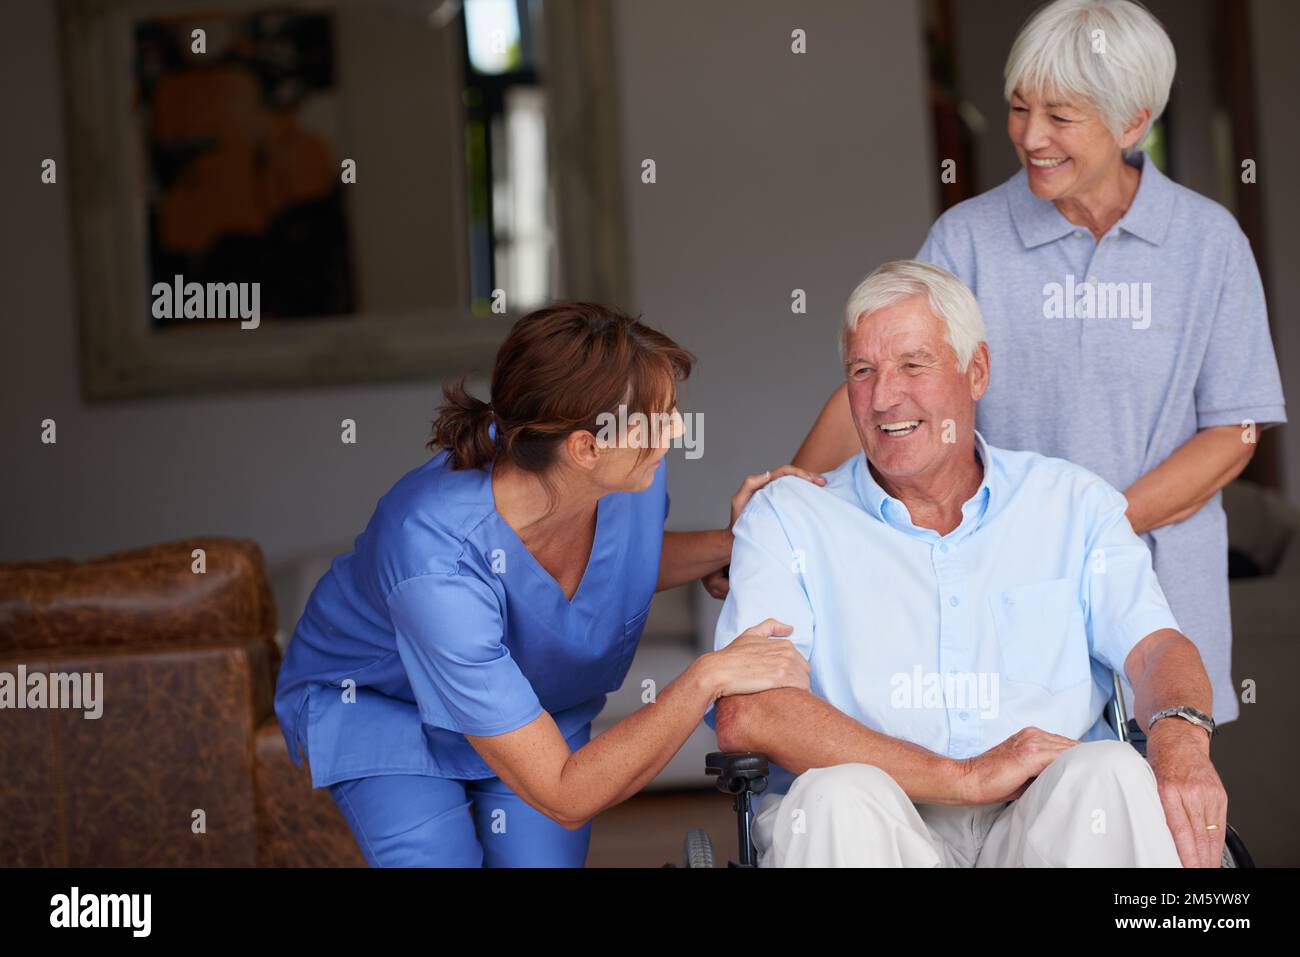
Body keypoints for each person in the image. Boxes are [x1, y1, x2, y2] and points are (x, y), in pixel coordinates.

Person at [788, 0, 1285, 730]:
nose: (1029, 136)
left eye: (1060, 115)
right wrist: (789, 501)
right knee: (1017, 807)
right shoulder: (969, 238)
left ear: (1132, 122)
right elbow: (890, 387)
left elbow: (1234, 433)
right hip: (1002, 584)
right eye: (1020, 109)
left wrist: (1085, 529)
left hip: (1158, 587)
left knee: (1152, 815)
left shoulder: (1208, 243)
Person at [713, 260, 1226, 867]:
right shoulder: (789, 517)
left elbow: (1156, 649)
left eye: (912, 364)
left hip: (1044, 816)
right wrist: (962, 776)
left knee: (1113, 771)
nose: (883, 397)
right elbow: (751, 711)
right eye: (863, 371)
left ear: (975, 370)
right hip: (879, 816)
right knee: (831, 795)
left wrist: (1181, 737)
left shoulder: (1071, 501)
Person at [274, 301, 815, 866]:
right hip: (385, 704)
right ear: (586, 449)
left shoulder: (627, 477)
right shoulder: (435, 557)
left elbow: (613, 566)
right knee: (438, 856)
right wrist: (706, 676)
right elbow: (564, 792)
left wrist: (738, 543)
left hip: (530, 699)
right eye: (657, 419)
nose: (676, 430)